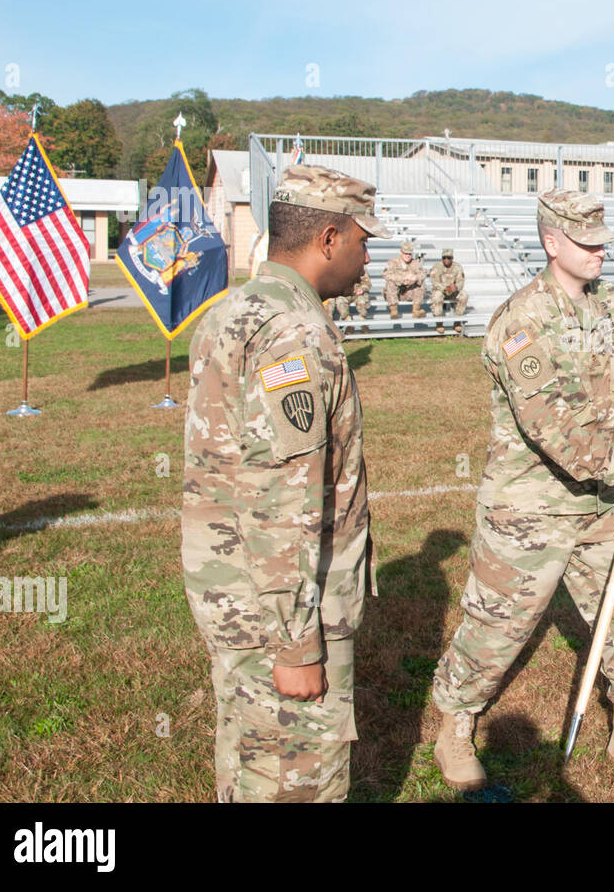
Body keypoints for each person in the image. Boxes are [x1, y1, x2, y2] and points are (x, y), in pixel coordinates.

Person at [430, 189, 614, 791]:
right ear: (553, 243)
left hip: (597, 507)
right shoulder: (523, 321)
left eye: (603, 241)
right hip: (530, 510)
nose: (600, 251)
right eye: (586, 242)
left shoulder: (609, 307)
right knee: (499, 627)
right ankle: (455, 727)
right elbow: (554, 429)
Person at [181, 164, 390, 802]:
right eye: (362, 239)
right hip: (284, 605)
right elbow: (285, 499)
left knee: (250, 755)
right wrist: (298, 641)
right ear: (328, 238)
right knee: (296, 774)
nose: (366, 255)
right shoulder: (296, 334)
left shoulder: (236, 310)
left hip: (236, 587)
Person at [429, 247, 468, 335]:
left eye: (448, 258)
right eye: (444, 258)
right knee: (437, 296)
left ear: (452, 258)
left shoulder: (457, 267)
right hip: (441, 290)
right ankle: (439, 323)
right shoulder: (437, 267)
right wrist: (445, 288)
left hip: (453, 291)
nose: (446, 260)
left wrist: (456, 287)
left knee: (464, 295)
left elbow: (461, 281)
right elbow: (435, 282)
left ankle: (457, 321)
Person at [383, 241, 425, 320]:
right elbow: (386, 275)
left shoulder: (415, 263)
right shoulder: (393, 262)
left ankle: (416, 310)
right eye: (405, 253)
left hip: (409, 293)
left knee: (421, 283)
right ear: (401, 252)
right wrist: (403, 278)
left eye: (409, 254)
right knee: (390, 283)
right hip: (395, 294)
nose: (408, 256)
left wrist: (415, 277)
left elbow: (423, 274)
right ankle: (394, 310)